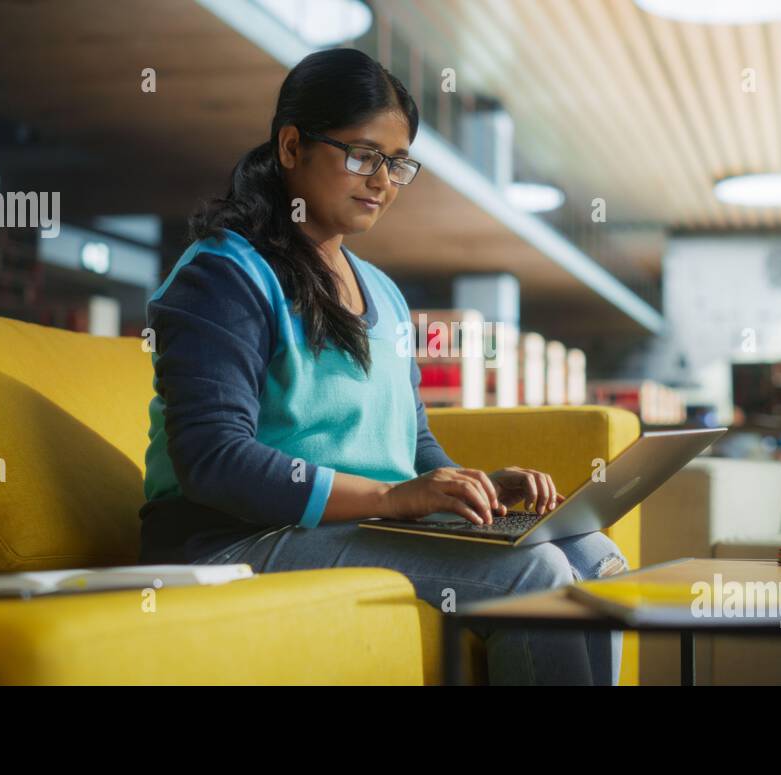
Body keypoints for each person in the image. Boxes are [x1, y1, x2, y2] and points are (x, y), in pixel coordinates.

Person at [138, 47, 628, 685]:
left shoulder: (384, 294)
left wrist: (468, 486)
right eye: (363, 156)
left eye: (397, 164)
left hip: (360, 521)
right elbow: (213, 459)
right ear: (292, 147)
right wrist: (393, 499)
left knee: (594, 556)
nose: (383, 181)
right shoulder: (223, 274)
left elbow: (411, 439)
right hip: (233, 538)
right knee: (531, 575)